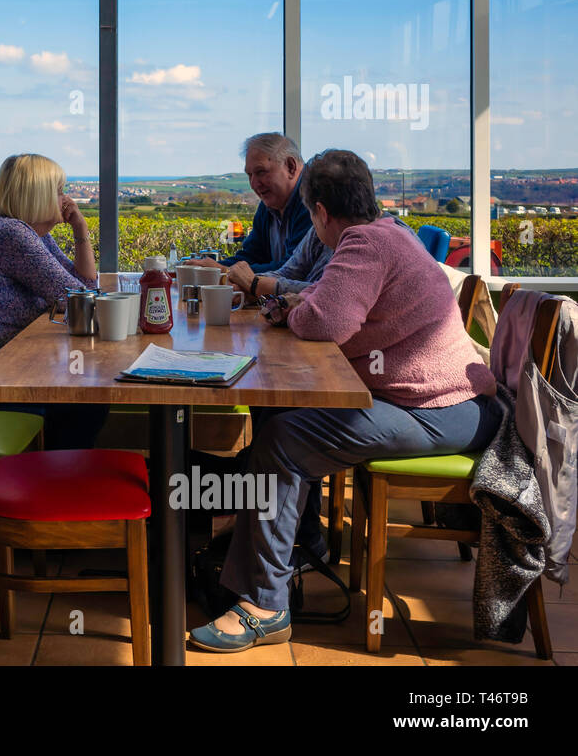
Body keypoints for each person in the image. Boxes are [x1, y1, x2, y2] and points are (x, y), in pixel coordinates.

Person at [188, 149, 501, 652]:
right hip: (446, 402)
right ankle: (293, 550)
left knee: (283, 442)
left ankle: (265, 607)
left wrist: (288, 308)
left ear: (320, 213)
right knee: (284, 428)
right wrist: (294, 305)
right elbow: (319, 302)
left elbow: (324, 321)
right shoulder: (388, 232)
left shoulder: (364, 244)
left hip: (442, 410)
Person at [0, 153, 107, 449]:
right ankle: (48, 481)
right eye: (59, 190)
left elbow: (84, 286)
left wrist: (81, 230)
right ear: (37, 195)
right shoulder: (9, 234)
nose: (66, 199)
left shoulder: (26, 230)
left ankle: (49, 477)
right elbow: (79, 300)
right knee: (88, 400)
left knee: (87, 397)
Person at [188, 133, 311, 276]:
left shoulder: (312, 202)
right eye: (250, 175)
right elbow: (251, 256)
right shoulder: (269, 205)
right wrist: (209, 267)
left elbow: (293, 270)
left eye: (261, 172)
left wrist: (222, 270)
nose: (254, 184)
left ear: (290, 167)